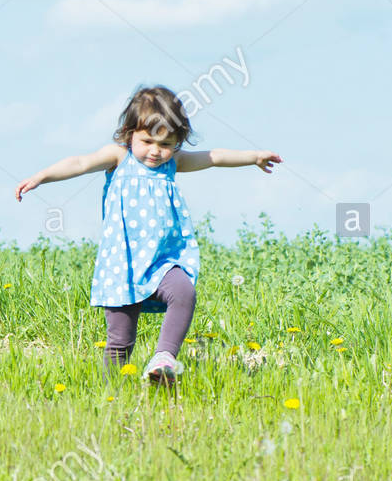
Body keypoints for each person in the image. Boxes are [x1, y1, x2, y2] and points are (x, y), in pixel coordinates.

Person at [15, 85, 281, 386]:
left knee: (184, 293)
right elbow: (79, 163)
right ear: (130, 133)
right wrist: (40, 177)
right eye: (147, 141)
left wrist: (254, 156)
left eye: (166, 143)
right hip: (122, 266)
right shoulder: (118, 158)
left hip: (163, 261)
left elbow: (214, 156)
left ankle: (164, 358)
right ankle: (112, 396)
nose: (156, 150)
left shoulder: (173, 163)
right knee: (120, 341)